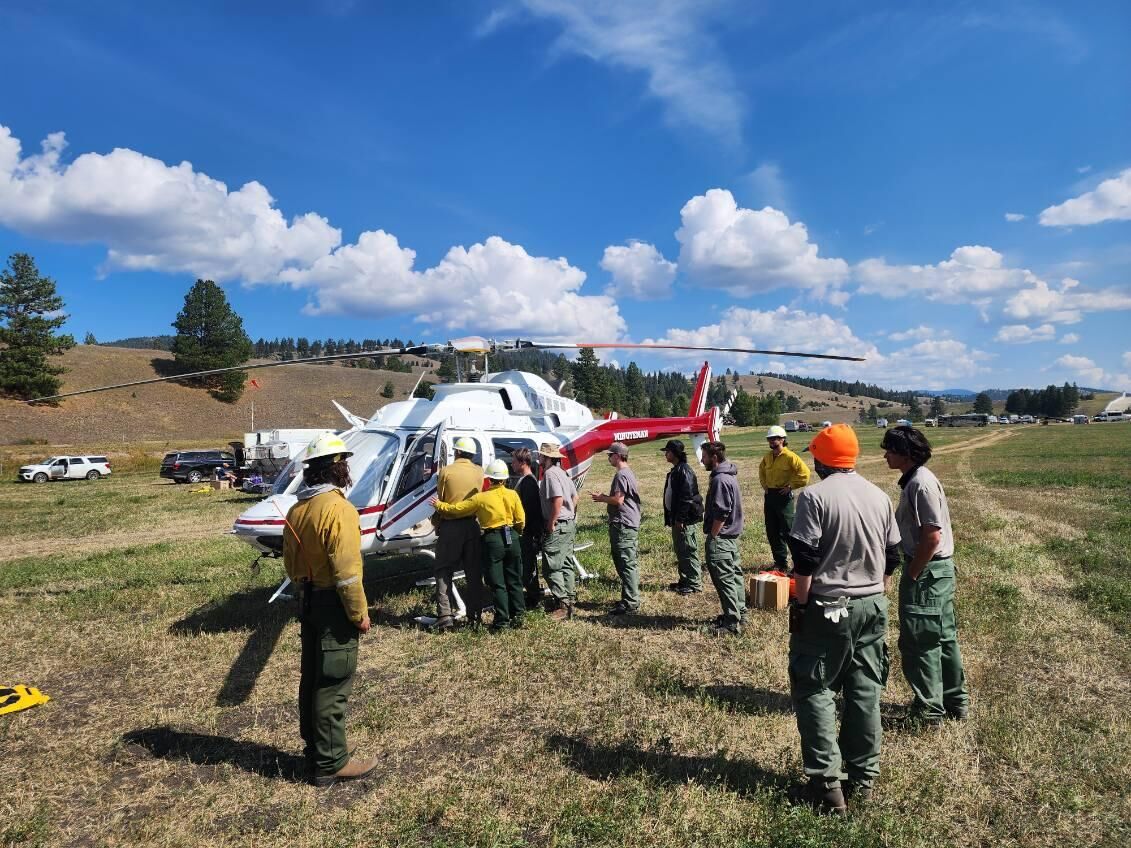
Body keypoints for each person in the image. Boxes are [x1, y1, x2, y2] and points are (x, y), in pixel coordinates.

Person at [785, 423, 901, 813]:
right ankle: (863, 782)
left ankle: (827, 786)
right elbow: (894, 556)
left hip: (827, 606)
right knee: (865, 691)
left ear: (821, 458)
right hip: (872, 605)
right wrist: (875, 587)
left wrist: (801, 604)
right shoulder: (879, 496)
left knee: (815, 689)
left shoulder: (814, 497)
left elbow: (804, 559)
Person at [283, 432, 378, 787]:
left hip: (306, 600)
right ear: (338, 470)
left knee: (312, 679)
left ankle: (316, 749)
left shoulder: (297, 508)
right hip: (332, 604)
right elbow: (347, 574)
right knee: (333, 682)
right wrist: (359, 614)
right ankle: (331, 762)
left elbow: (290, 564)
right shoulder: (339, 509)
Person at [882, 425, 969, 725]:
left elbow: (931, 537)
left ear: (906, 454)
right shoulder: (918, 480)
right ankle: (955, 703)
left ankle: (929, 711)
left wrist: (914, 572)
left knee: (920, 641)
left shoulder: (920, 484)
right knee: (943, 638)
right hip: (937, 571)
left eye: (890, 450)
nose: (885, 455)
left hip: (928, 571)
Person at [430, 459, 526, 631]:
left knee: (498, 583)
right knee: (514, 579)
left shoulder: (481, 498)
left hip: (493, 539)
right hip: (512, 536)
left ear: (489, 479)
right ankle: (519, 615)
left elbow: (456, 510)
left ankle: (502, 621)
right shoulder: (513, 494)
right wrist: (515, 533)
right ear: (504, 479)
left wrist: (439, 505)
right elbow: (520, 520)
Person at [432, 436, 484, 631]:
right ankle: (475, 615)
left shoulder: (446, 471)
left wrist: (437, 522)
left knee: (443, 570)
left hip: (451, 526)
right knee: (473, 572)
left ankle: (445, 615)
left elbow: (441, 499)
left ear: (457, 452)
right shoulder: (479, 472)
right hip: (472, 525)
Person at [590, 442, 643, 615]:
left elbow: (618, 500)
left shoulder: (621, 475)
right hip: (627, 522)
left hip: (623, 523)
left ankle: (630, 602)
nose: (608, 458)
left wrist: (602, 498)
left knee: (626, 562)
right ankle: (630, 597)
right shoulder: (628, 472)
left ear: (618, 456)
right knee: (626, 562)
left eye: (610, 455)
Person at [700, 441, 745, 635]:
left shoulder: (720, 480)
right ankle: (739, 612)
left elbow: (722, 512)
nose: (702, 460)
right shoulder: (728, 476)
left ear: (714, 458)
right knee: (734, 576)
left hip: (722, 537)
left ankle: (731, 622)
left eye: (704, 456)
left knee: (724, 579)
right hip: (731, 537)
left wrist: (713, 535)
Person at [759, 425, 811, 572]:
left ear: (782, 439)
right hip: (770, 496)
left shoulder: (791, 457)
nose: (771, 441)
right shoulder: (767, 457)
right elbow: (761, 471)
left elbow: (805, 474)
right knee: (772, 530)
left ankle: (798, 564)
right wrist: (765, 485)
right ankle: (780, 563)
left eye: (774, 438)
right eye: (770, 438)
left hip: (784, 497)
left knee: (788, 531)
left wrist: (791, 486)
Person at [537, 441, 578, 621]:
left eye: (540, 455)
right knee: (566, 562)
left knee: (552, 566)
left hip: (559, 524)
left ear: (546, 457)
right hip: (568, 523)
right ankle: (570, 599)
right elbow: (575, 497)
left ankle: (562, 605)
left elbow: (558, 500)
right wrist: (570, 515)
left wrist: (552, 522)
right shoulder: (562, 472)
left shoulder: (551, 474)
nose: (538, 458)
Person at [661, 439, 703, 595]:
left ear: (675, 453)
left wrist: (680, 519)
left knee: (689, 550)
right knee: (681, 551)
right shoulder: (677, 469)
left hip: (684, 521)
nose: (665, 454)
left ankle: (694, 584)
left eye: (667, 451)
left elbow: (687, 498)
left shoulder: (684, 471)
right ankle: (685, 580)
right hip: (678, 520)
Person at [510, 447, 545, 608]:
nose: (512, 464)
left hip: (528, 532)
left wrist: (530, 533)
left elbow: (530, 511)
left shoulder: (528, 482)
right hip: (527, 531)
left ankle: (533, 597)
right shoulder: (526, 480)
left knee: (527, 566)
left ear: (523, 463)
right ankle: (533, 594)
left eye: (514, 461)